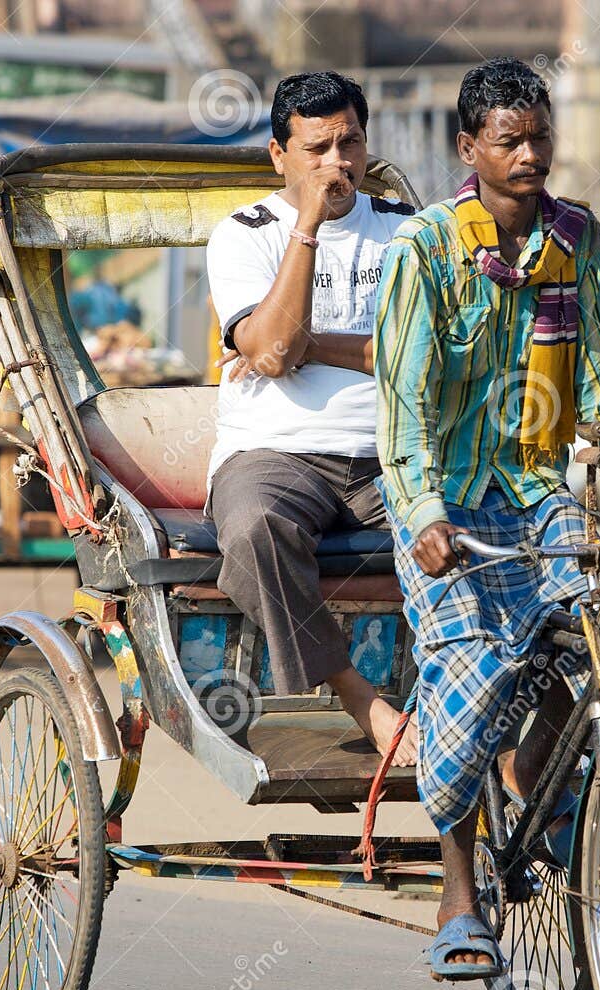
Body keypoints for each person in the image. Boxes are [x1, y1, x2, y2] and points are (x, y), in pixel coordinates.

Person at [374, 58, 600, 979]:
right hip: (446, 509)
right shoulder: (428, 251)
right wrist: (426, 514)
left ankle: (540, 776)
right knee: (473, 682)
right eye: (509, 140)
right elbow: (402, 405)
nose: (529, 154)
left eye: (540, 136)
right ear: (468, 148)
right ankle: (458, 894)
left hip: (538, 492)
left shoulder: (577, 240)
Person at [204, 71, 417, 760]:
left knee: (478, 524)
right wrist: (309, 227)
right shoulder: (245, 235)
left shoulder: (407, 233)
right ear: (279, 155)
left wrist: (305, 345)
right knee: (254, 528)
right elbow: (266, 350)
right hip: (275, 455)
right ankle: (360, 697)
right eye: (317, 148)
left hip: (388, 452)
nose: (337, 163)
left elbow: (416, 356)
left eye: (349, 144)